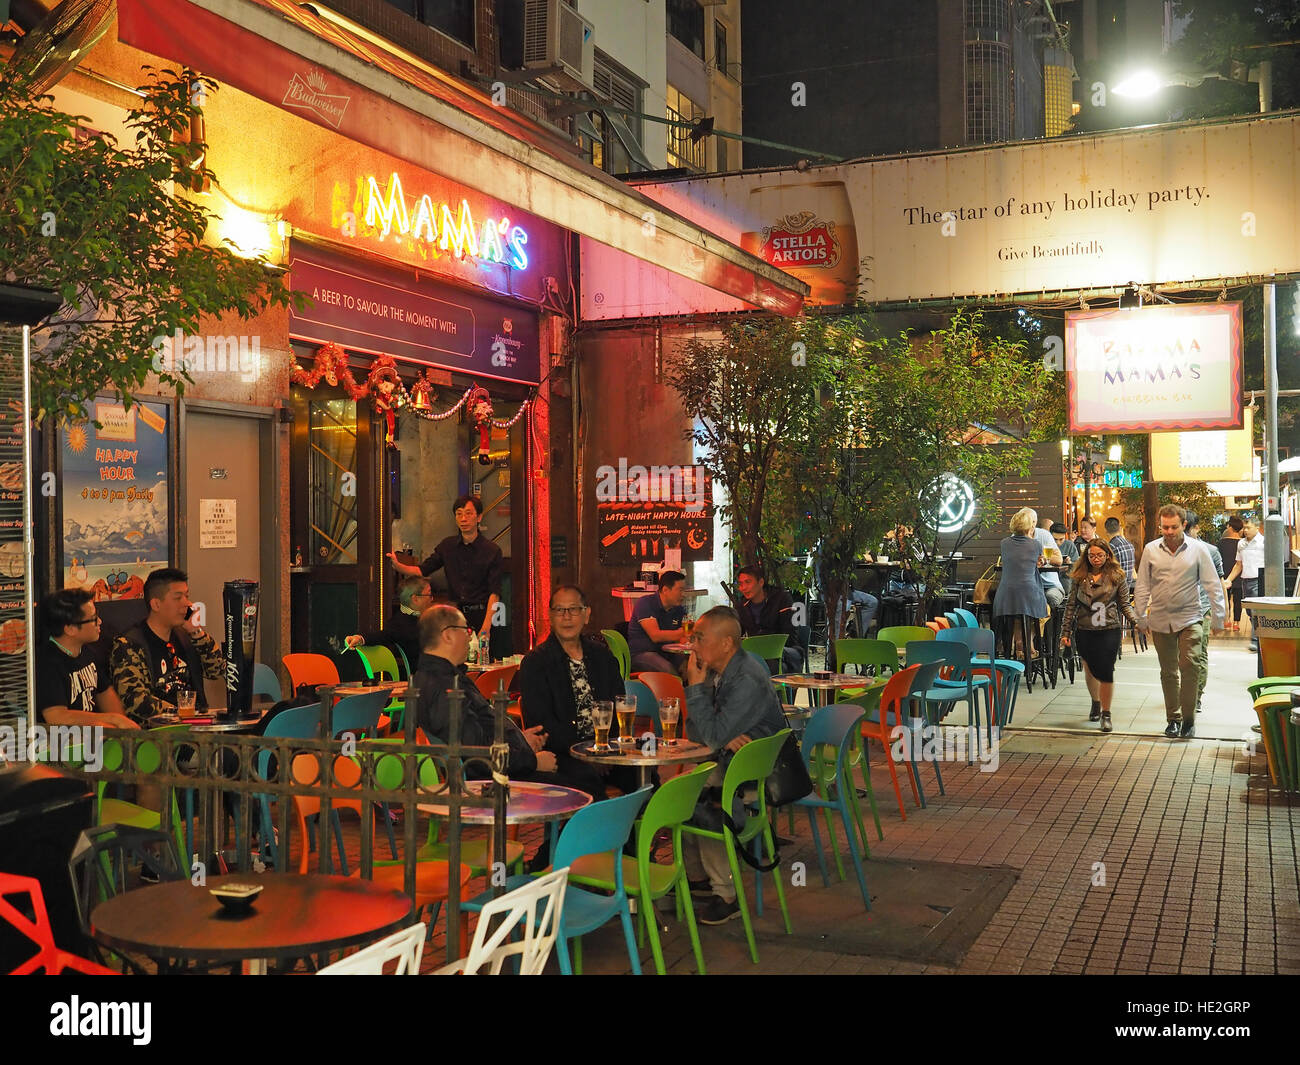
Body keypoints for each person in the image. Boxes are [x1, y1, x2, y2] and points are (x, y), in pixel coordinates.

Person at [681, 606, 786, 926]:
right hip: (733, 763)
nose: (693, 645)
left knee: (700, 798)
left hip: (757, 777)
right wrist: (722, 735)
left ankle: (726, 894)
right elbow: (696, 730)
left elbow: (710, 736)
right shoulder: (720, 668)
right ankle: (699, 878)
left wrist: (695, 688)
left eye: (699, 638)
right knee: (682, 786)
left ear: (726, 643)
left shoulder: (747, 677)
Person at [517, 584, 630, 799]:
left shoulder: (602, 657)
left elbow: (618, 704)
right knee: (587, 781)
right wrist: (585, 754)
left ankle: (635, 831)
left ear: (586, 614)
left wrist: (603, 751)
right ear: (550, 616)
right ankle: (587, 832)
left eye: (574, 609)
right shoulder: (536, 663)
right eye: (560, 610)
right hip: (563, 754)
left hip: (606, 750)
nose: (566, 617)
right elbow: (541, 722)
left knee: (643, 774)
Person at [1133, 504, 1226, 739]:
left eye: (1173, 527)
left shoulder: (1197, 549)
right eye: (1165, 527)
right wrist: (1140, 616)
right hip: (1161, 618)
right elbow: (1143, 585)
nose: (1169, 531)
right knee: (1168, 672)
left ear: (1183, 525)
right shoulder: (1151, 550)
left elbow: (1212, 584)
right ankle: (1173, 719)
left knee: (1191, 665)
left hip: (1190, 617)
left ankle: (1189, 719)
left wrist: (1219, 616)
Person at [388, 494, 505, 659]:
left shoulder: (492, 551)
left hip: (483, 614)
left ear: (479, 517)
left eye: (469, 513)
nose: (463, 518)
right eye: (459, 514)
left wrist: (486, 627)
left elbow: (495, 593)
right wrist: (399, 566)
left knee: (484, 663)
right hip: (456, 616)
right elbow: (423, 570)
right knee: (457, 662)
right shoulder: (447, 546)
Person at [109, 567, 224, 724]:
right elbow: (134, 700)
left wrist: (196, 632)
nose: (187, 603)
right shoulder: (129, 644)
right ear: (156, 604)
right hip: (159, 733)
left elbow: (217, 671)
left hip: (196, 728)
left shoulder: (185, 636)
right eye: (178, 598)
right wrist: (180, 713)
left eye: (187, 596)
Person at [1060, 539, 1140, 733]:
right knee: (1089, 671)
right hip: (1085, 627)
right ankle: (1095, 702)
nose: (1096, 559)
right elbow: (1071, 605)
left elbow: (1124, 604)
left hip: (1108, 627)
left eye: (1100, 555)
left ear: (1107, 555)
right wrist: (1065, 632)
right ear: (1086, 556)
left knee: (1105, 671)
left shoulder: (1116, 576)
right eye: (1092, 555)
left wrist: (1136, 621)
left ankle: (1106, 713)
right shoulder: (1079, 576)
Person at [35, 589, 137, 729]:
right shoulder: (47, 664)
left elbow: (106, 694)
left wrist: (121, 727)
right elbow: (56, 717)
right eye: (94, 619)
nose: (100, 622)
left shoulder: (86, 651)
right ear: (70, 629)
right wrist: (110, 719)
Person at [344, 576, 436, 672]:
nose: (432, 599)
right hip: (425, 676)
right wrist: (359, 638)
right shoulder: (400, 623)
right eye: (429, 594)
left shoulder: (429, 616)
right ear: (415, 599)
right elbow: (382, 636)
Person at [993, 507, 1048, 657]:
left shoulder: (1004, 543)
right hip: (1028, 594)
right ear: (1030, 526)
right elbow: (1038, 561)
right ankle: (1028, 640)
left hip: (1005, 596)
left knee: (1016, 612)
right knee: (1046, 610)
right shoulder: (1036, 544)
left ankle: (1016, 643)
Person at [1186, 514, 1225, 713]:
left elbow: (1219, 584)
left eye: (1188, 529)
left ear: (1196, 528)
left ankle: (1196, 696)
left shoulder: (1211, 551)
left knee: (1199, 653)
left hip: (1202, 609)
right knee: (1182, 656)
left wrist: (1221, 614)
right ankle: (1187, 693)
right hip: (1178, 611)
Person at [735, 565, 806, 672]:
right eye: (741, 584)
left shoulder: (781, 599)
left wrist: (765, 645)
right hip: (759, 653)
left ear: (761, 582)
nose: (743, 588)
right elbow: (737, 632)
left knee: (766, 664)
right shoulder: (742, 605)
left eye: (748, 582)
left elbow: (790, 634)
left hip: (787, 650)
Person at [627, 570, 688, 674]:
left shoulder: (678, 609)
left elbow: (682, 639)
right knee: (668, 669)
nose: (683, 595)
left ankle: (688, 690)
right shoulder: (646, 603)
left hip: (667, 652)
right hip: (642, 654)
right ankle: (674, 689)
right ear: (665, 590)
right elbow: (655, 636)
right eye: (680, 590)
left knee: (693, 664)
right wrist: (684, 633)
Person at [1225, 516, 1265, 653]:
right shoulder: (1241, 544)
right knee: (1248, 612)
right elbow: (1238, 564)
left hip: (1258, 580)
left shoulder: (1263, 543)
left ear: (1257, 527)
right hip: (1245, 581)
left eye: (1248, 528)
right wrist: (1229, 579)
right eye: (1244, 528)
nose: (1245, 530)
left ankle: (1255, 640)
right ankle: (1259, 637)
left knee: (1255, 611)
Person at [1030, 513, 1065, 608]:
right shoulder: (1017, 538)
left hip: (1051, 585)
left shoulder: (1044, 536)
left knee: (1050, 596)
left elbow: (1059, 560)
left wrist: (1044, 559)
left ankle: (1049, 623)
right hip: (1030, 585)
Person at [1217, 515, 1245, 631]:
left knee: (1225, 598)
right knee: (1238, 599)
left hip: (1225, 575)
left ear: (1229, 527)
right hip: (1238, 574)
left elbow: (1218, 559)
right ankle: (1236, 623)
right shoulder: (1243, 543)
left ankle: (1226, 621)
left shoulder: (1221, 543)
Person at [1106, 517, 1136, 594]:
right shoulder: (1129, 545)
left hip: (1116, 590)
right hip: (1129, 588)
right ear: (1119, 528)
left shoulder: (1111, 547)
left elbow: (1109, 571)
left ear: (1106, 530)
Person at [1050, 523, 1079, 596]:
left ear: (1065, 536)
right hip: (1049, 579)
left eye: (1061, 539)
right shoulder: (1046, 545)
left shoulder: (1069, 545)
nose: (1058, 543)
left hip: (1064, 579)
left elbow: (1077, 566)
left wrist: (1069, 563)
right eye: (1055, 539)